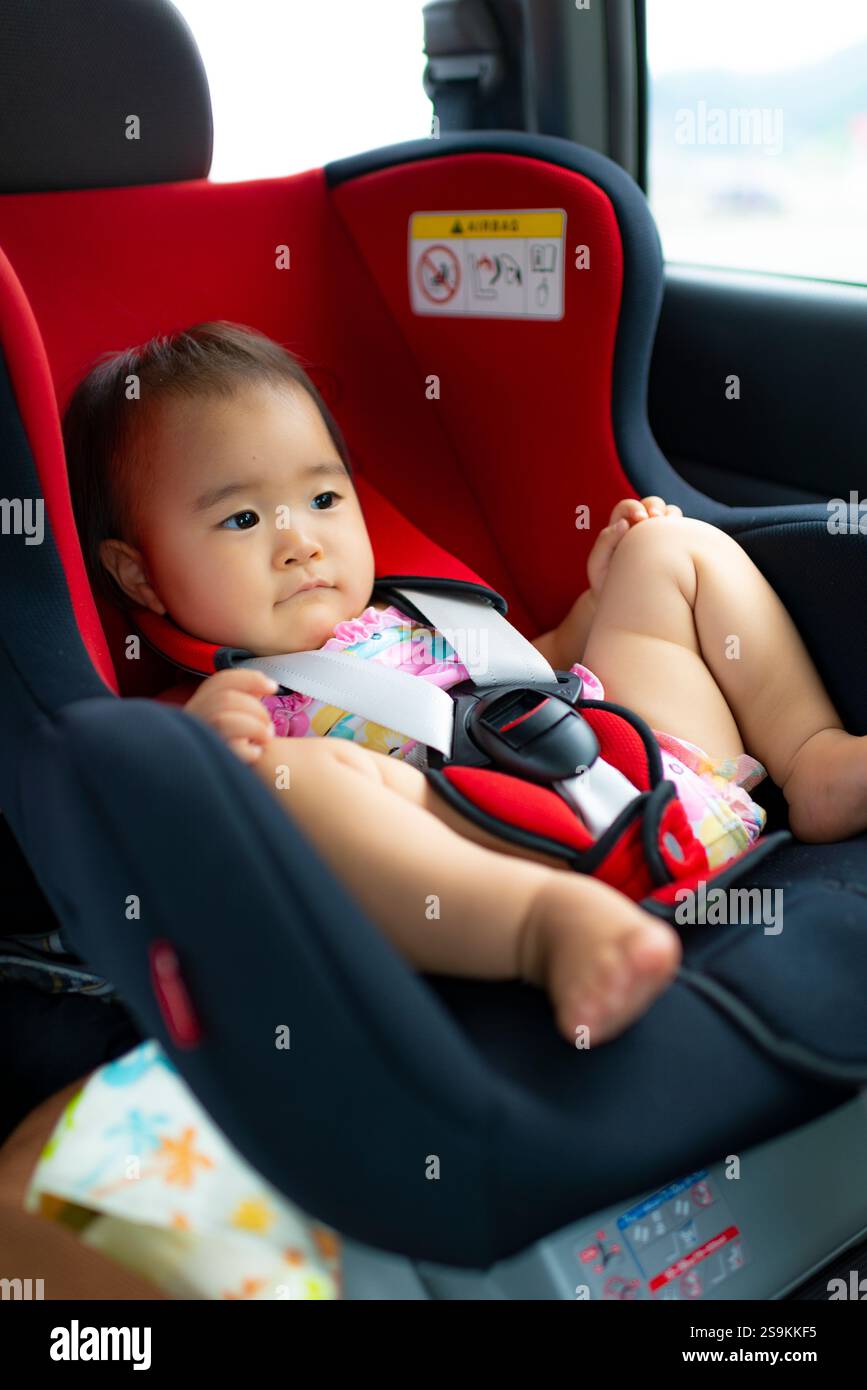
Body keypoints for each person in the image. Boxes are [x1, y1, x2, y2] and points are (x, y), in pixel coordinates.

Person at [63, 322, 858, 1047]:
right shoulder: (214, 711)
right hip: (497, 855)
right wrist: (204, 759)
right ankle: (540, 932)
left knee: (673, 546)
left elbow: (533, 668)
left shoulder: (421, 611)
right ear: (141, 575)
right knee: (286, 781)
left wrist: (602, 594)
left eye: (323, 498)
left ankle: (811, 760)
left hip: (660, 779)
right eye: (241, 520)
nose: (300, 543)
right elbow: (170, 850)